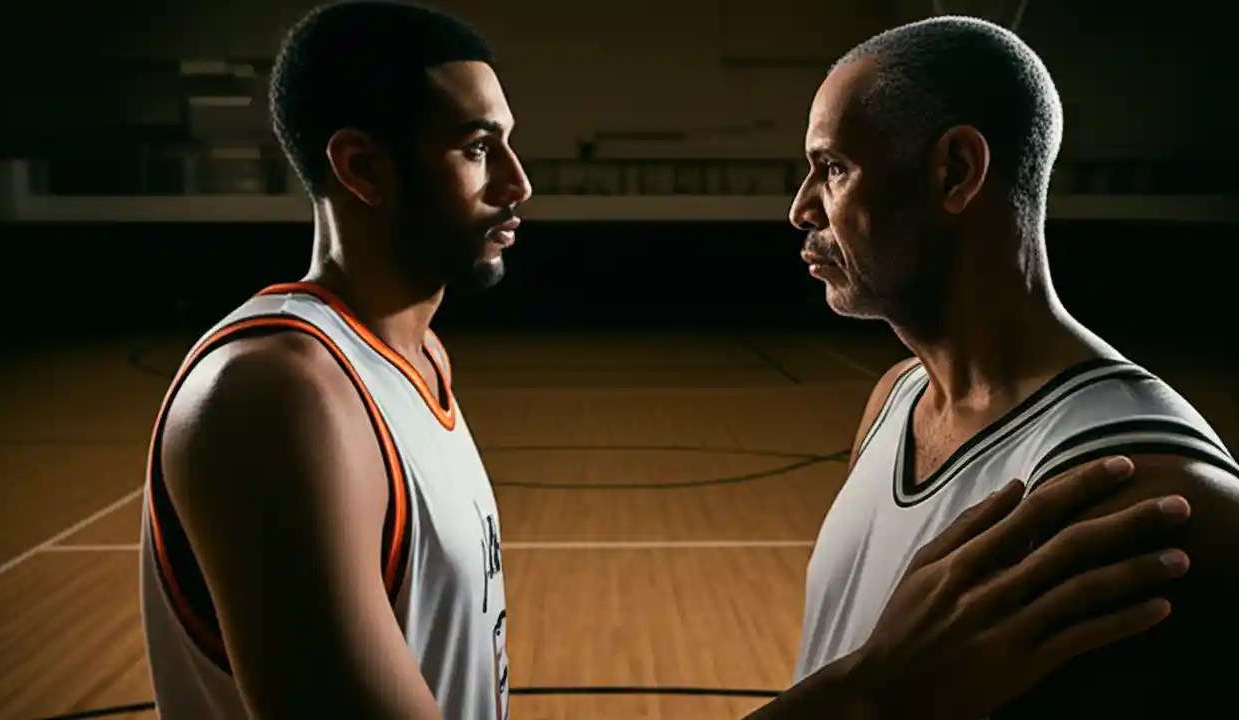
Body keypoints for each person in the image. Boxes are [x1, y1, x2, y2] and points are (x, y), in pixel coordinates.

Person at [139, 3, 1197, 719]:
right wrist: (873, 692)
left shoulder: (409, 368)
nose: (519, 183)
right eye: (476, 149)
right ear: (359, 169)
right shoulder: (282, 393)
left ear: (959, 171)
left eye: (827, 167)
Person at [787, 14, 1239, 718]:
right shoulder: (894, 401)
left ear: (957, 171)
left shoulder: (1155, 493)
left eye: (834, 168)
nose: (801, 209)